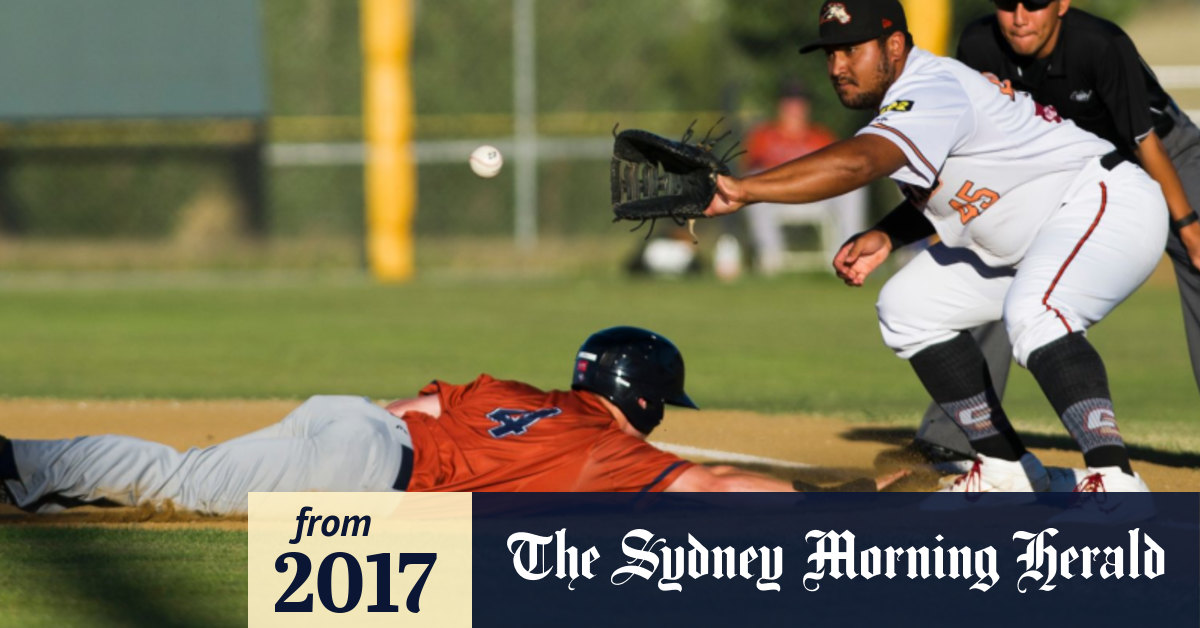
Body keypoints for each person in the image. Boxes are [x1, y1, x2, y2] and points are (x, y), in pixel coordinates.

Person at [705, 0, 1166, 494]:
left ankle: (1116, 481)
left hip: (1106, 205)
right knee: (908, 306)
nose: (837, 67)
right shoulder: (913, 96)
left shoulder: (931, 88)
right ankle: (1002, 467)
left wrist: (744, 189)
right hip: (1036, 237)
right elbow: (953, 179)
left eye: (851, 50)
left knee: (1036, 313)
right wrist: (888, 232)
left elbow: (860, 163)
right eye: (830, 54)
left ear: (895, 45)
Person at [0, 327, 901, 517]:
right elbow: (716, 485)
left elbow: (408, 407)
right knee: (183, 486)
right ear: (646, 401)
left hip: (349, 419)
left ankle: (31, 473)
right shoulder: (607, 455)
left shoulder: (518, 392)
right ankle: (25, 467)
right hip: (367, 472)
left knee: (190, 470)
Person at [909, 0, 1200, 464]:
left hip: (1164, 151)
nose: (1020, 15)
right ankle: (955, 437)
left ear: (1062, 3)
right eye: (1008, 3)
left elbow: (1146, 142)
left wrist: (1188, 225)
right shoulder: (979, 44)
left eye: (1036, 2)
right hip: (1064, 167)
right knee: (997, 262)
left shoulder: (1099, 44)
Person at [742, 80, 857, 275]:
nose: (795, 108)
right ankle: (770, 256)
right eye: (790, 102)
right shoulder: (764, 136)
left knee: (854, 184)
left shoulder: (820, 136)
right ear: (780, 106)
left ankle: (850, 254)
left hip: (816, 194)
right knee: (752, 183)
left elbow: (840, 168)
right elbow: (750, 168)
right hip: (776, 196)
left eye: (799, 103)